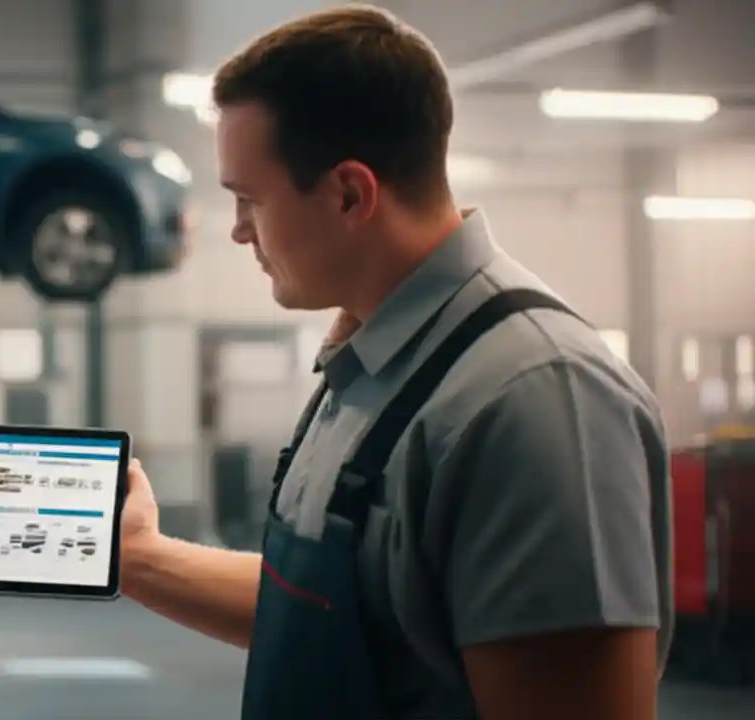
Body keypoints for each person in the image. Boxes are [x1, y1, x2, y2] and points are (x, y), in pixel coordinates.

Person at [118, 6, 672, 720]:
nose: (237, 230)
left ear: (350, 194)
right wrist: (140, 559)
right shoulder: (374, 367)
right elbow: (343, 619)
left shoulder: (535, 400)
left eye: (250, 199)